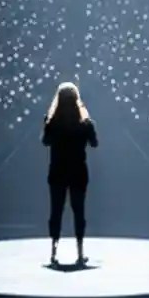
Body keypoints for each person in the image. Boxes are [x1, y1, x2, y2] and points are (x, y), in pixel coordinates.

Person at [42, 81, 98, 267]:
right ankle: (80, 253)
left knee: (56, 210)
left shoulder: (51, 123)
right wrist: (89, 124)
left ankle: (53, 252)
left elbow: (45, 142)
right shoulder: (84, 124)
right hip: (78, 171)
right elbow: (94, 143)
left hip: (57, 171)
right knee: (79, 211)